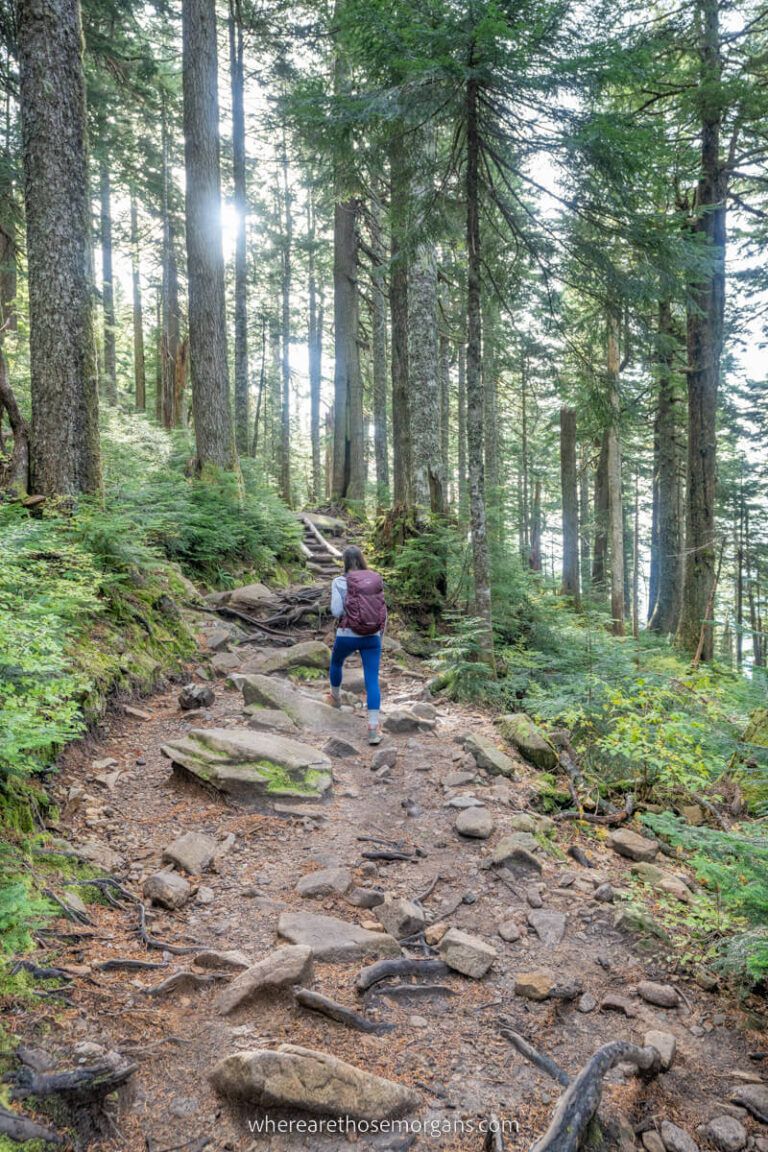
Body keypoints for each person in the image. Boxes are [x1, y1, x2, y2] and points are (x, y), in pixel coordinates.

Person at [328, 545, 387, 745]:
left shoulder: (338, 581)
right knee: (372, 679)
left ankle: (335, 698)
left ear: (344, 562)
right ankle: (372, 728)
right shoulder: (374, 579)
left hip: (346, 634)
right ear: (362, 559)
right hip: (372, 636)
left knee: (336, 662)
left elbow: (336, 611)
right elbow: (381, 608)